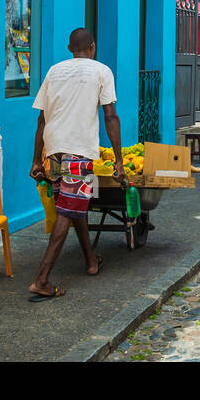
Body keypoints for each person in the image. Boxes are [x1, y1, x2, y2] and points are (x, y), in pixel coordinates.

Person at [27, 27, 125, 301]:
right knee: (67, 212)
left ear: (70, 48)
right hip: (79, 154)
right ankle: (41, 279)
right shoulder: (101, 71)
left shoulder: (54, 71)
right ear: (92, 46)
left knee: (71, 206)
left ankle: (91, 260)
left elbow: (42, 120)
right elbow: (111, 117)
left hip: (54, 152)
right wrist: (118, 162)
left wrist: (37, 159)